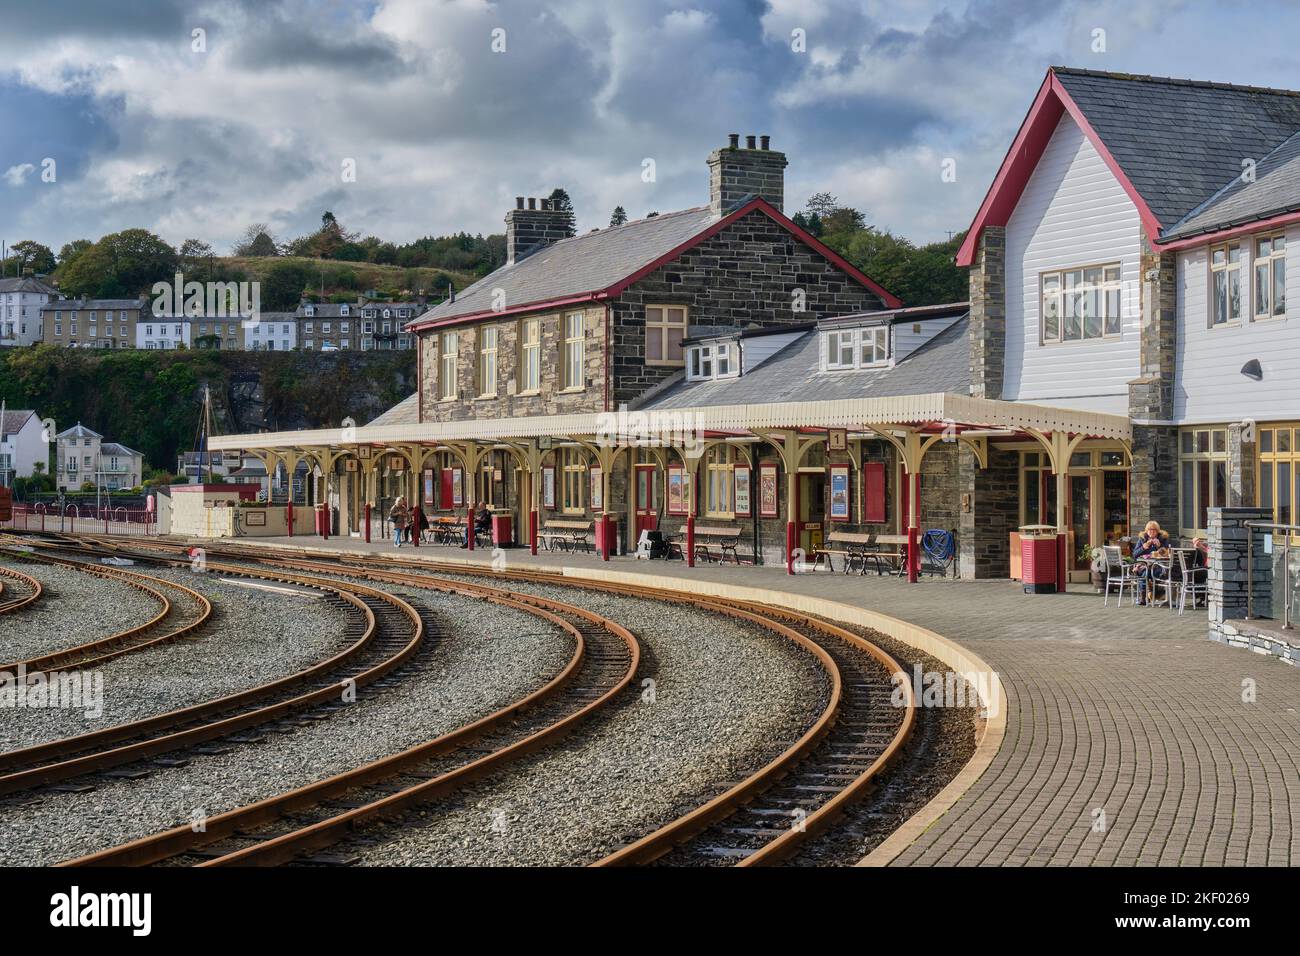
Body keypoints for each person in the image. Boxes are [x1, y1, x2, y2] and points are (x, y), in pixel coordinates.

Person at [1132, 520, 1170, 605]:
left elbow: (1167, 555)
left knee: (1147, 572)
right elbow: (1134, 554)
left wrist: (1159, 547)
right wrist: (1143, 547)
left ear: (1158, 531)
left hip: (1159, 566)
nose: (1151, 531)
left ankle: (1147, 595)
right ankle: (1143, 597)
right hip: (1144, 565)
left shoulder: (1163, 539)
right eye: (1149, 529)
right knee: (1145, 572)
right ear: (1146, 531)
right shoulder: (1142, 539)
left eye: (1154, 530)